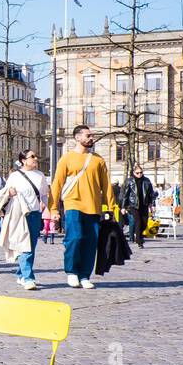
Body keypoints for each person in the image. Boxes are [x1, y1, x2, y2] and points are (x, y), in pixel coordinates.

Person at [48, 124, 116, 289]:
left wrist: (112, 207)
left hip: (93, 206)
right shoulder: (66, 158)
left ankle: (85, 275)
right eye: (88, 135)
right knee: (75, 238)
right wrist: (54, 208)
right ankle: (71, 272)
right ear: (77, 138)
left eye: (91, 135)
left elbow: (106, 185)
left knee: (91, 242)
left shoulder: (98, 159)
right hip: (73, 203)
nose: (91, 138)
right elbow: (57, 184)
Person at [0, 150, 49, 290]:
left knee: (31, 246)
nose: (35, 159)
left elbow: (45, 195)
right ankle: (28, 278)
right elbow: (6, 192)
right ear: (23, 160)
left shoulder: (40, 176)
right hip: (18, 214)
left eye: (36, 156)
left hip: (34, 214)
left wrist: (49, 210)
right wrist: (9, 193)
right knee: (24, 245)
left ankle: (21, 274)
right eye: (32, 156)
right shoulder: (15, 176)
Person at [121, 165, 156, 249]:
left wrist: (151, 204)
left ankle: (138, 236)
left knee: (144, 223)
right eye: (137, 173)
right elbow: (125, 195)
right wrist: (123, 207)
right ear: (134, 173)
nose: (139, 174)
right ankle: (139, 241)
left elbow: (151, 194)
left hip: (144, 204)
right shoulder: (129, 181)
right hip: (134, 204)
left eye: (141, 172)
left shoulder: (146, 180)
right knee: (138, 222)